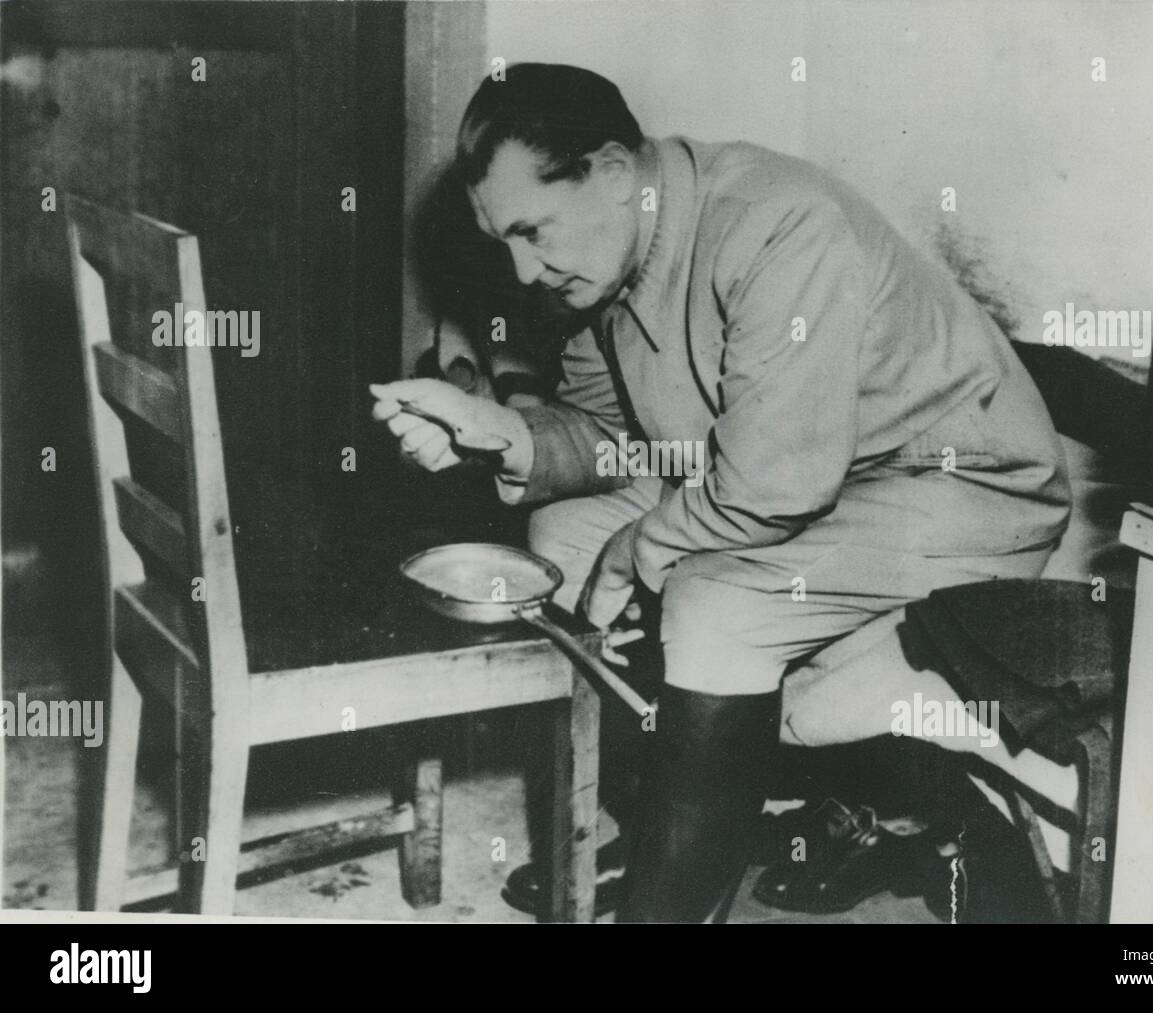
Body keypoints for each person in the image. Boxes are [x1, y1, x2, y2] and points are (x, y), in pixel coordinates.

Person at [371, 63, 1072, 922]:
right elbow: (615, 440)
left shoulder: (777, 228)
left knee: (714, 603)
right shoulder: (602, 256)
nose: (521, 272)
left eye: (532, 232)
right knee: (565, 535)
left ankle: (669, 906)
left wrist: (643, 547)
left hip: (956, 488)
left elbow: (773, 483)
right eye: (504, 243)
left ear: (616, 175)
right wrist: (500, 433)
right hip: (807, 473)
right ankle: (675, 822)